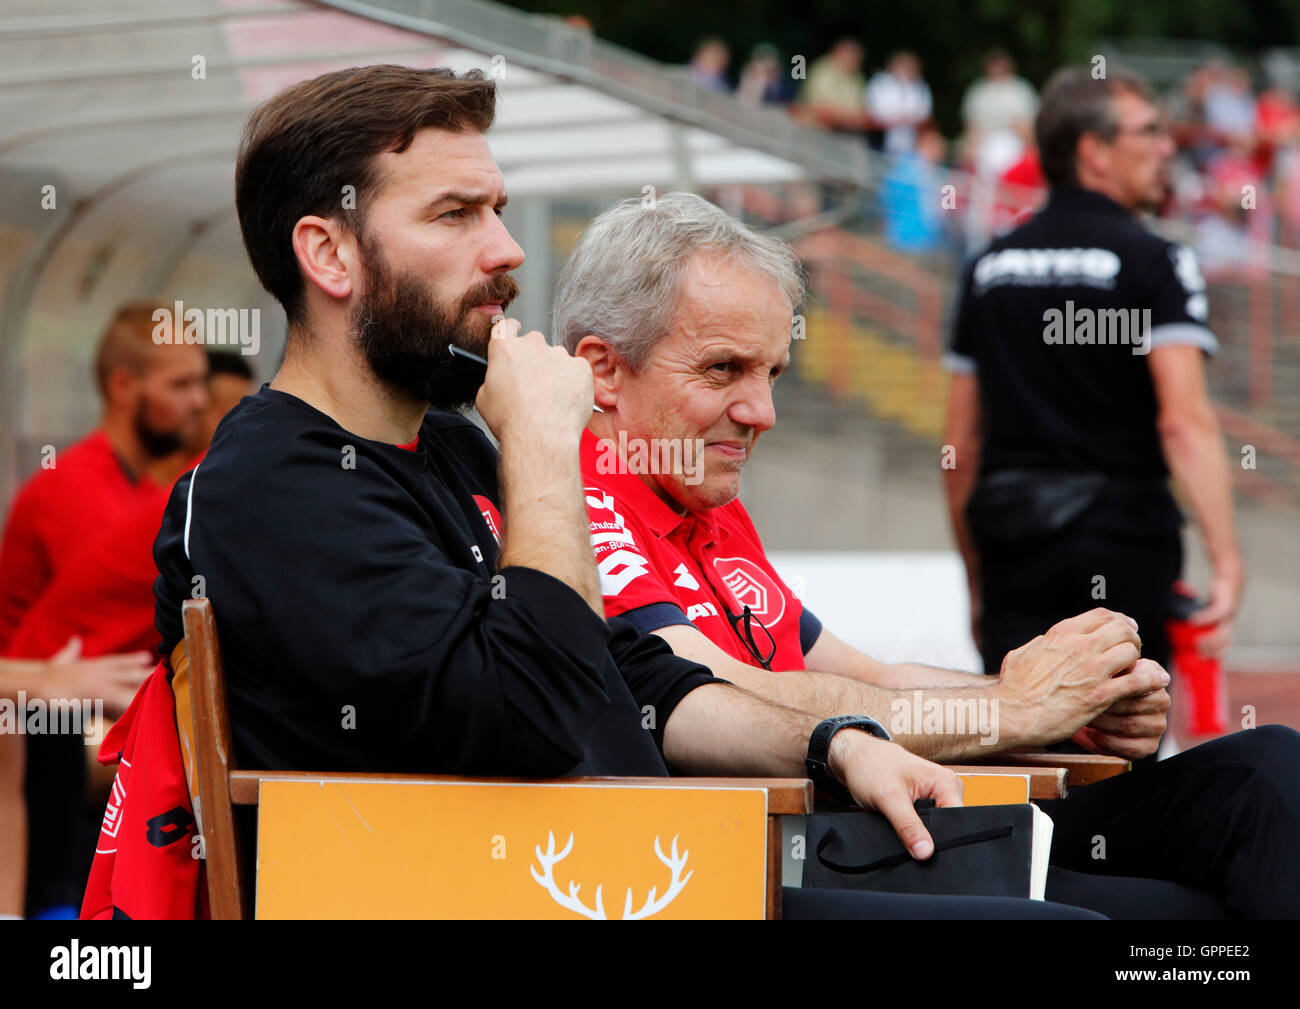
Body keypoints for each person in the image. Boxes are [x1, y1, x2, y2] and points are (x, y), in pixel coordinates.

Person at [145, 63, 1102, 920]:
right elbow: (534, 712)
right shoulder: (274, 488)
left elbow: (640, 680)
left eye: (499, 209)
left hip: (652, 874)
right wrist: (541, 444)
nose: (508, 250)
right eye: (455, 214)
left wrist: (833, 742)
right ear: (330, 255)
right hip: (529, 892)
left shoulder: (448, 450)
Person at [553, 189, 1299, 918]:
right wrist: (1014, 709)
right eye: (724, 369)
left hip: (881, 819)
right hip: (800, 851)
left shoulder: (701, 498)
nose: (763, 414)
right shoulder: (580, 500)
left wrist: (1064, 708)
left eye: (773, 372)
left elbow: (870, 677)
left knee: (1265, 767)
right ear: (604, 370)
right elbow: (710, 689)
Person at [942, 67, 1243, 705]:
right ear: (1093, 150)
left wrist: (976, 581)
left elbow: (958, 448)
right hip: (1121, 539)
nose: (1168, 148)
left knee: (1024, 759)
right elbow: (1182, 421)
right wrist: (1227, 560)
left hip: (1010, 543)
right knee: (1125, 762)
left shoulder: (988, 266)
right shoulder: (1155, 258)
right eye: (1151, 131)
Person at [0, 303, 206, 918]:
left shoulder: (145, 491)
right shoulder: (75, 492)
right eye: (181, 383)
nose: (198, 401)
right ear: (123, 387)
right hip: (41, 748)